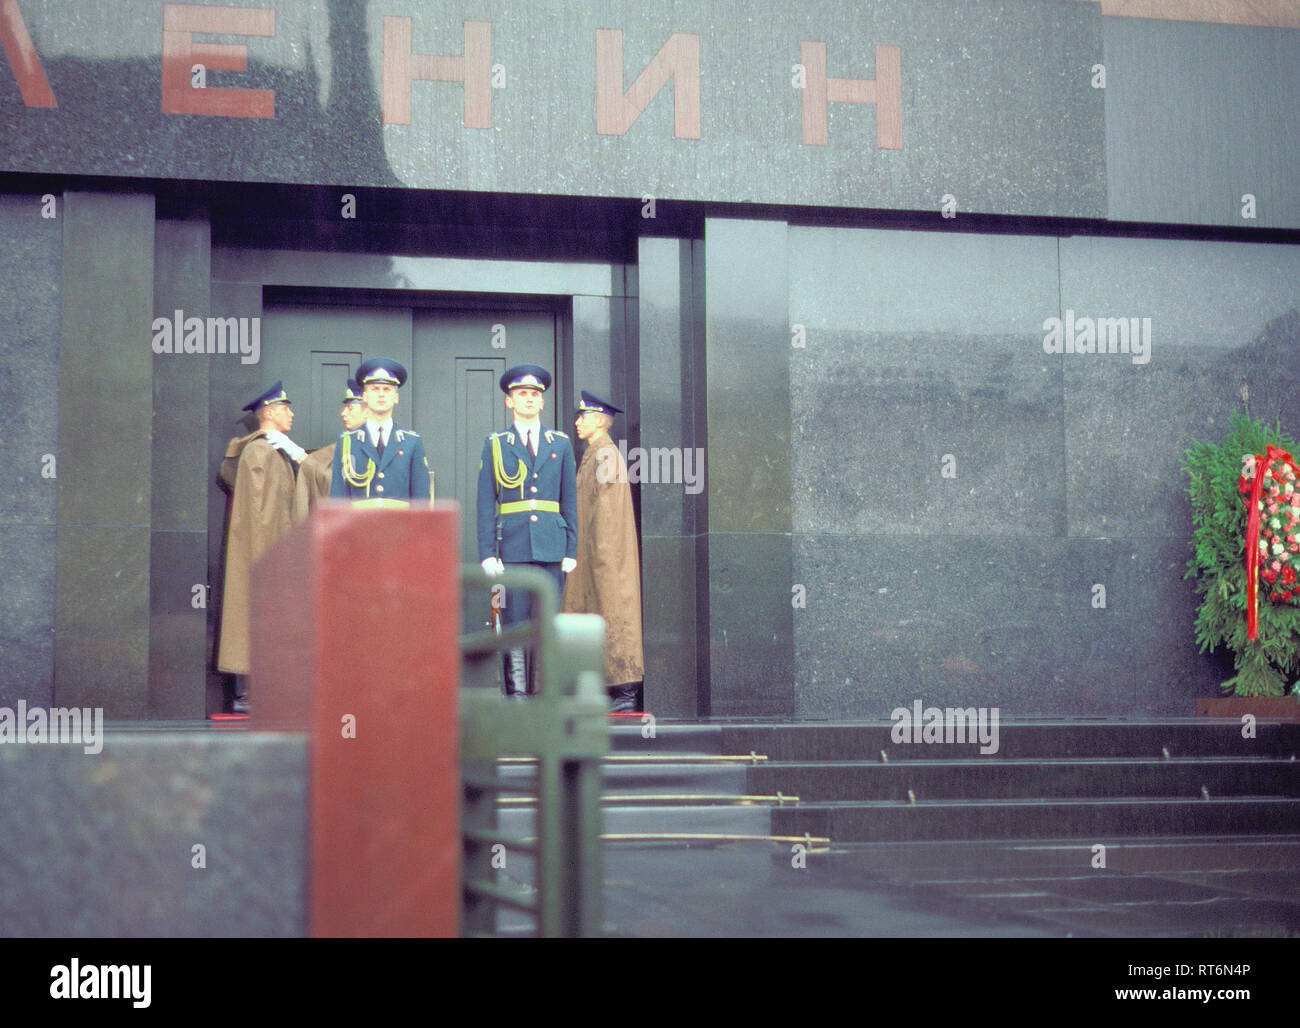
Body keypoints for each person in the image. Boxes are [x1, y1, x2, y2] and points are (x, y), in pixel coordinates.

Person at [476, 364, 577, 696]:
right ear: (510, 402)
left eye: (535, 394)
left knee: (547, 625)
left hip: (551, 545)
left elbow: (568, 499)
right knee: (515, 624)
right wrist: (488, 552)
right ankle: (517, 699)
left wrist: (570, 549)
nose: (529, 399)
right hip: (513, 548)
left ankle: (545, 699)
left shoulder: (560, 444)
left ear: (542, 402)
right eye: (522, 394)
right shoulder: (496, 444)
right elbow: (484, 503)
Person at [216, 381, 306, 712]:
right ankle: (247, 695)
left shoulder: (270, 450)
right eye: (286, 408)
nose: (291, 414)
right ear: (269, 412)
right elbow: (259, 513)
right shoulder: (260, 451)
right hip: (265, 549)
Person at [562, 391, 644, 712]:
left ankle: (624, 693)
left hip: (604, 557)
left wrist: (601, 558)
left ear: (598, 420)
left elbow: (607, 515)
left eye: (583, 417)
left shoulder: (605, 456)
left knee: (614, 612)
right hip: (591, 554)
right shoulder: (594, 454)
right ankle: (605, 690)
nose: (577, 422)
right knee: (596, 614)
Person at [330, 357, 431, 505]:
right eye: (375, 389)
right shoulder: (347, 441)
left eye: (387, 389)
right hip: (359, 526)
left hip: (400, 526)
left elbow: (421, 499)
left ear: (396, 397)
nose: (381, 394)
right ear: (364, 396)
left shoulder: (411, 442)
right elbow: (338, 497)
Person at [293, 378, 366, 521]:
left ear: (367, 411)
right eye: (345, 407)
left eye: (350, 408)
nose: (343, 413)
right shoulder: (331, 454)